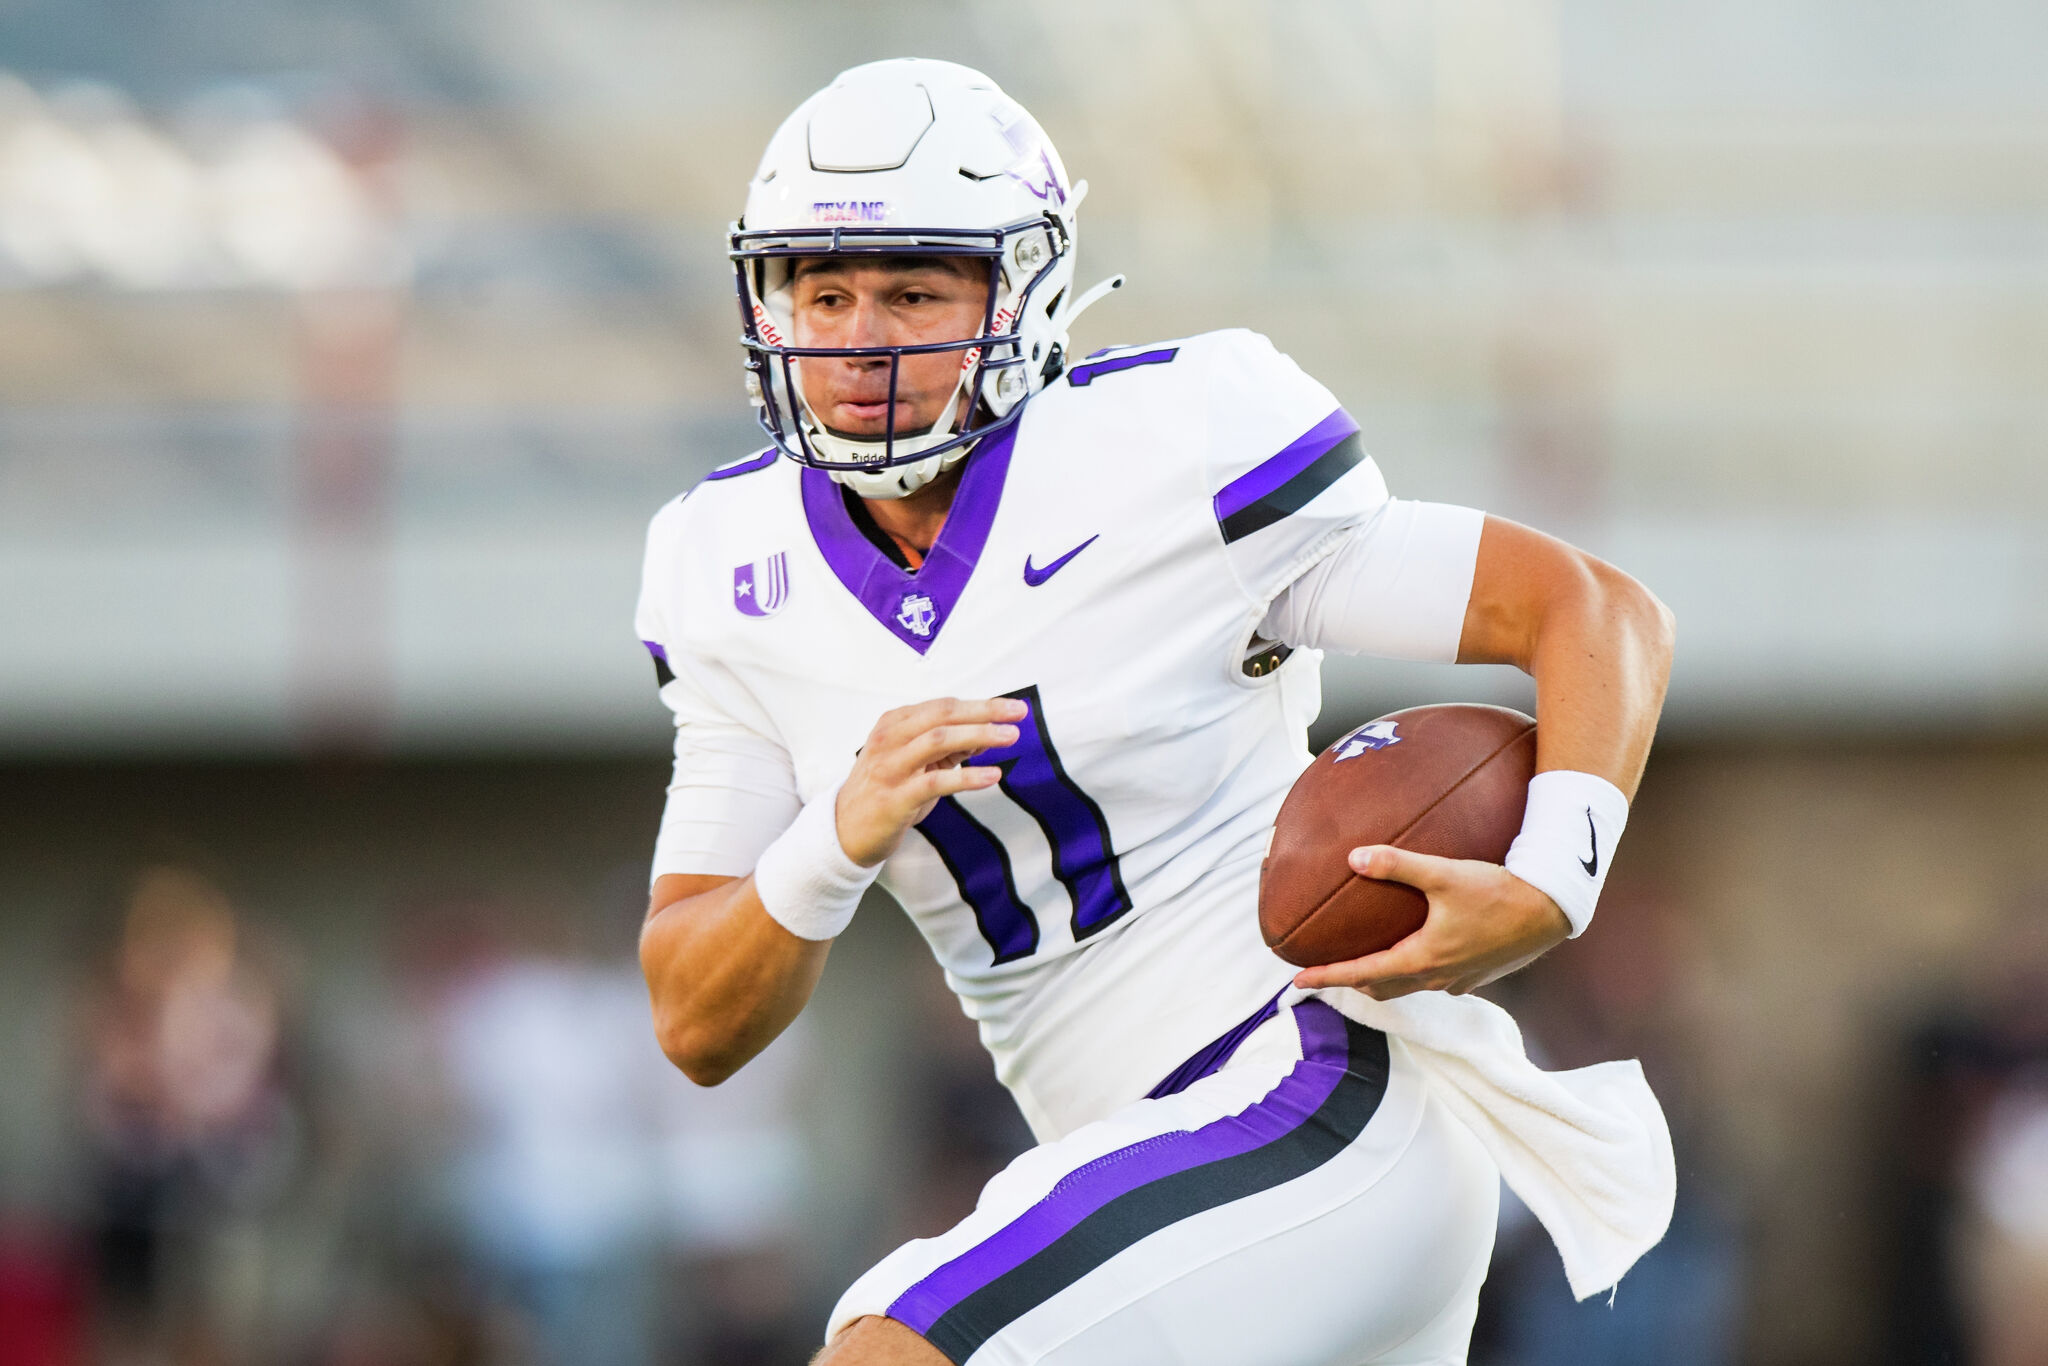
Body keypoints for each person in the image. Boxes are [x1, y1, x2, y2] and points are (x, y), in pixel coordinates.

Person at [636, 58, 1677, 1366]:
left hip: (1324, 1100)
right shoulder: (724, 566)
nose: (862, 337)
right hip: (1159, 1185)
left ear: (1020, 291)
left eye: (912, 288)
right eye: (824, 290)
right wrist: (832, 837)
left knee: (897, 1350)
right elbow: (695, 1018)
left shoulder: (1177, 445)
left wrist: (1555, 877)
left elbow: (1593, 609)